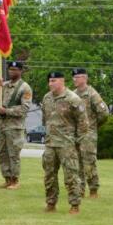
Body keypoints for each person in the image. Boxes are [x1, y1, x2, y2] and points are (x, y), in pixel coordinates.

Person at [41, 71, 89, 214]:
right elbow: (45, 119)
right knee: (49, 175)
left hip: (67, 145)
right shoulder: (47, 98)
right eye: (49, 81)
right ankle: (51, 203)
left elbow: (83, 123)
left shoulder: (73, 99)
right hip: (50, 144)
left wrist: (76, 142)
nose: (51, 84)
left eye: (54, 81)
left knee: (71, 176)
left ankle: (74, 205)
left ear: (62, 81)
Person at [0, 60, 32, 189]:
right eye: (10, 70)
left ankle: (15, 180)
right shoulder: (4, 85)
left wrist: (7, 111)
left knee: (13, 154)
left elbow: (24, 108)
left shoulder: (24, 88)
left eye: (14, 70)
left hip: (15, 127)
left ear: (20, 71)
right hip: (2, 126)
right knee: (2, 153)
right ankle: (7, 178)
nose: (11, 72)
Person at [70, 68, 109, 198]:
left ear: (85, 78)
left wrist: (93, 126)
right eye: (73, 77)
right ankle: (79, 190)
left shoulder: (92, 94)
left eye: (77, 77)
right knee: (77, 163)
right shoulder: (73, 94)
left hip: (88, 134)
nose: (74, 79)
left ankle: (93, 189)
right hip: (75, 134)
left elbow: (104, 113)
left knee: (89, 162)